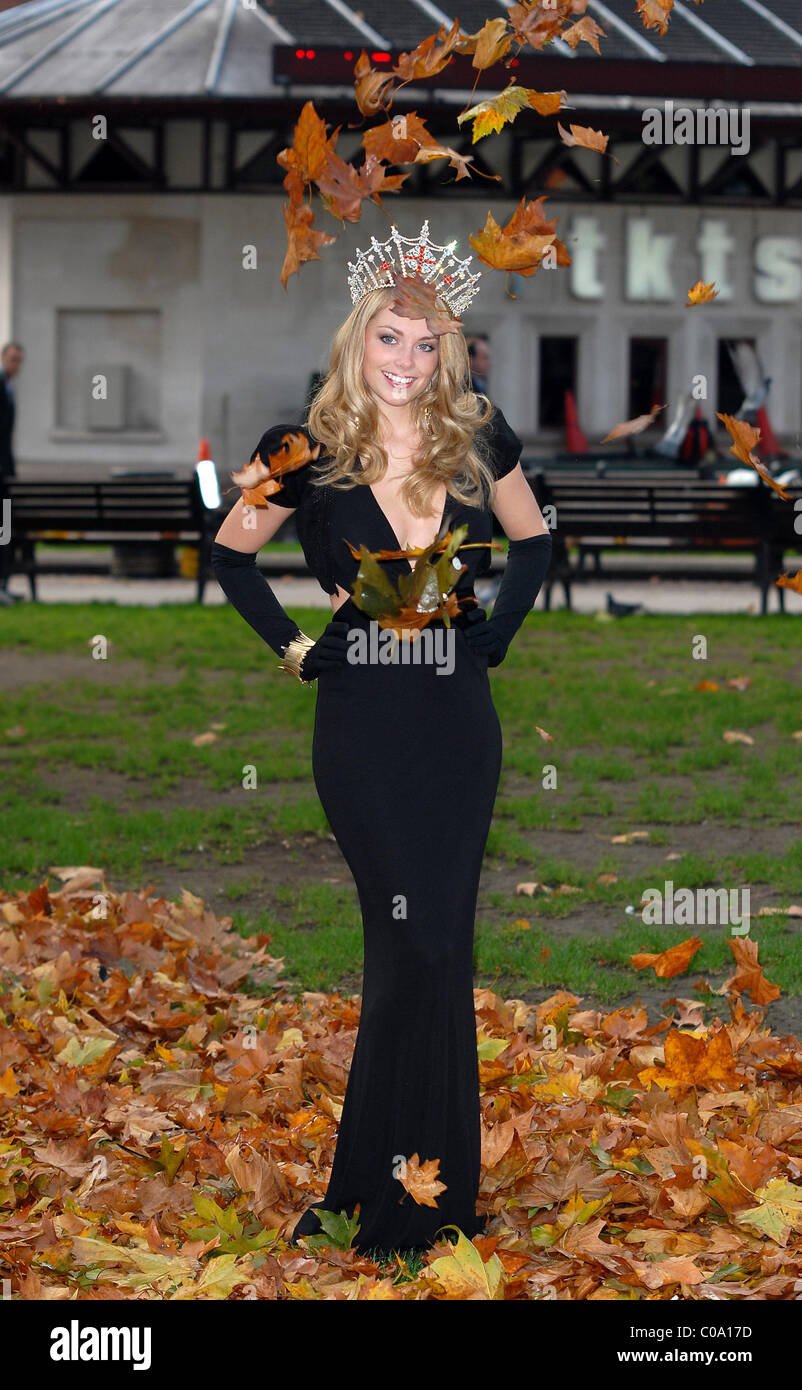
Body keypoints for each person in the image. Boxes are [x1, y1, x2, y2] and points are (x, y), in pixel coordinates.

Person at [210, 220, 552, 1258]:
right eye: (388, 340)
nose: (405, 362)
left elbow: (534, 540)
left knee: (440, 950)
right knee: (408, 943)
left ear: (449, 350)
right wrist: (295, 649)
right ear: (358, 340)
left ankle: (421, 1190)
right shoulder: (298, 449)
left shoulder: (477, 438)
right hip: (361, 721)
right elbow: (227, 557)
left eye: (427, 343)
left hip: (456, 717)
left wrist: (496, 631)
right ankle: (381, 1186)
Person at [0, 341, 24, 606]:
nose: (16, 365)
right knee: (3, 530)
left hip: (5, 473)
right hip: (2, 475)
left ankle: (4, 583)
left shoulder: (8, 388)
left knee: (5, 531)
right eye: (13, 359)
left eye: (19, 360)